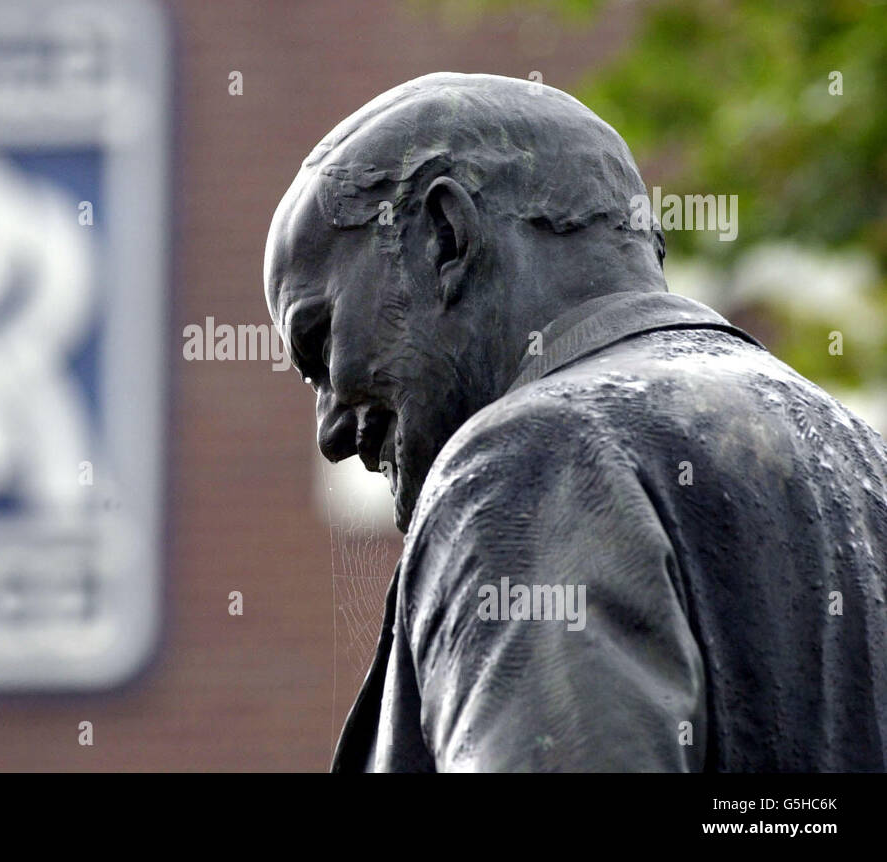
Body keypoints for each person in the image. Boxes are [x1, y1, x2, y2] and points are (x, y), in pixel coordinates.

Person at [263, 73, 887, 772]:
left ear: (445, 237)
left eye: (320, 342)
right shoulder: (864, 459)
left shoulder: (533, 460)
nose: (330, 430)